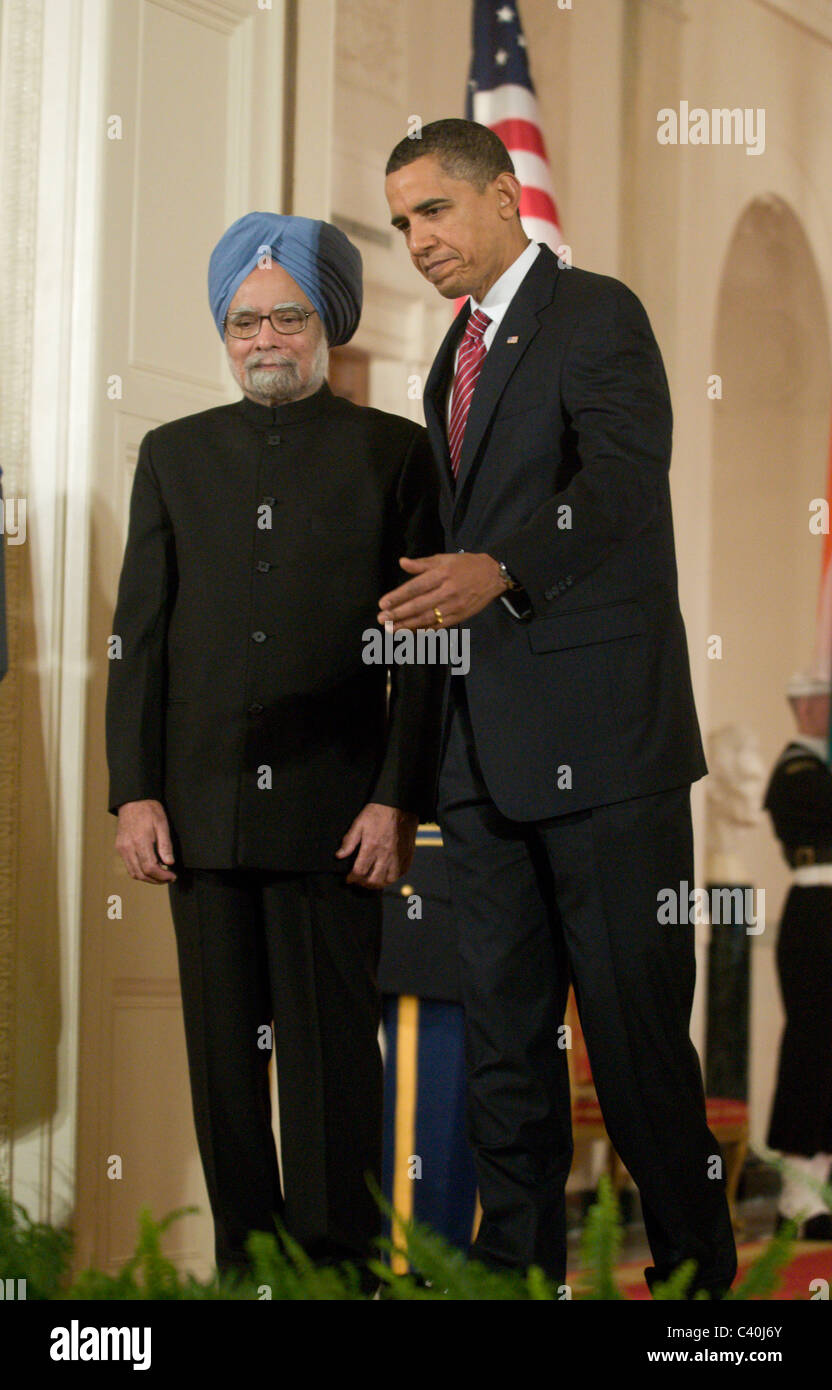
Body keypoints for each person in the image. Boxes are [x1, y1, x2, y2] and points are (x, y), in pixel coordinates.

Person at [380, 118, 737, 1296]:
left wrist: (503, 568)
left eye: (432, 210)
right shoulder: (448, 361)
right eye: (400, 225)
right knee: (504, 1058)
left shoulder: (595, 314)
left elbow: (625, 485)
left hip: (604, 748)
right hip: (481, 765)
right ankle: (514, 1288)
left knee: (636, 1047)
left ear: (500, 196)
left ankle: (696, 1293)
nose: (417, 241)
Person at [105, 212, 442, 1286]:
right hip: (195, 819)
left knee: (333, 1069)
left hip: (336, 819)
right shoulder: (172, 455)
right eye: (244, 320)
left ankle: (337, 1279)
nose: (264, 338)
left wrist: (398, 798)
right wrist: (133, 793)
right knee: (223, 1069)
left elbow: (429, 656)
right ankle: (252, 1276)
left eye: (287, 317)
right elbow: (138, 644)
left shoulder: (397, 454)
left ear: (327, 325)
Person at [764, 672, 832, 1239]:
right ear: (806, 707)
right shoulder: (797, 769)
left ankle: (823, 1180)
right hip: (817, 912)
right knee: (812, 1043)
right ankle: (797, 1188)